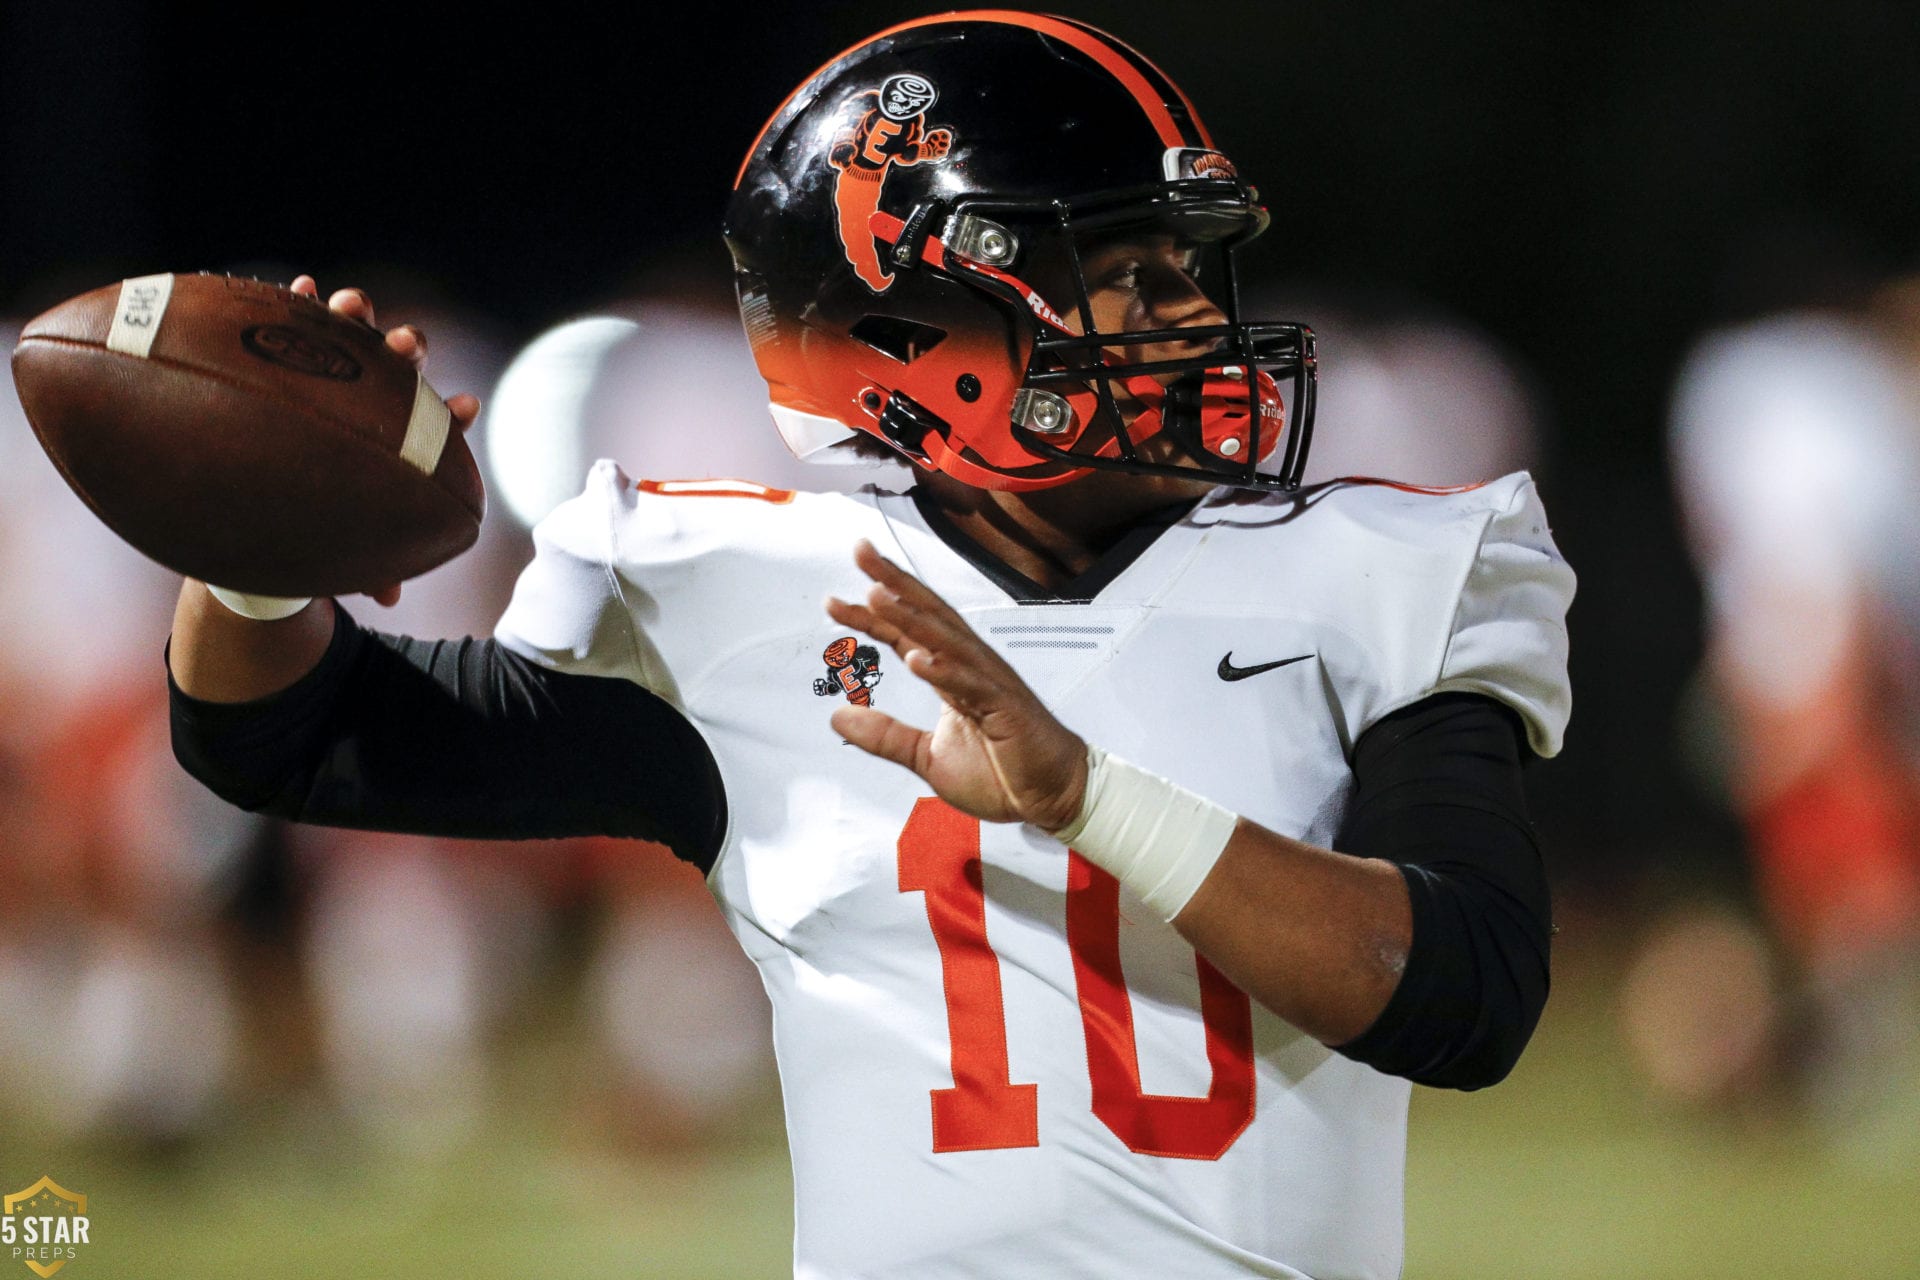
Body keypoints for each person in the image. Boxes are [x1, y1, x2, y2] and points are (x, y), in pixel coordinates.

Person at [167, 13, 1573, 1278]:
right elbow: (287, 733)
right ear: (920, 332)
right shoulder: (739, 593)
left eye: (1189, 270)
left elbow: (1464, 995)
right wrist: (253, 550)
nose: (1196, 322)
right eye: (1128, 278)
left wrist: (1091, 798)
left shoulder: (1375, 573)